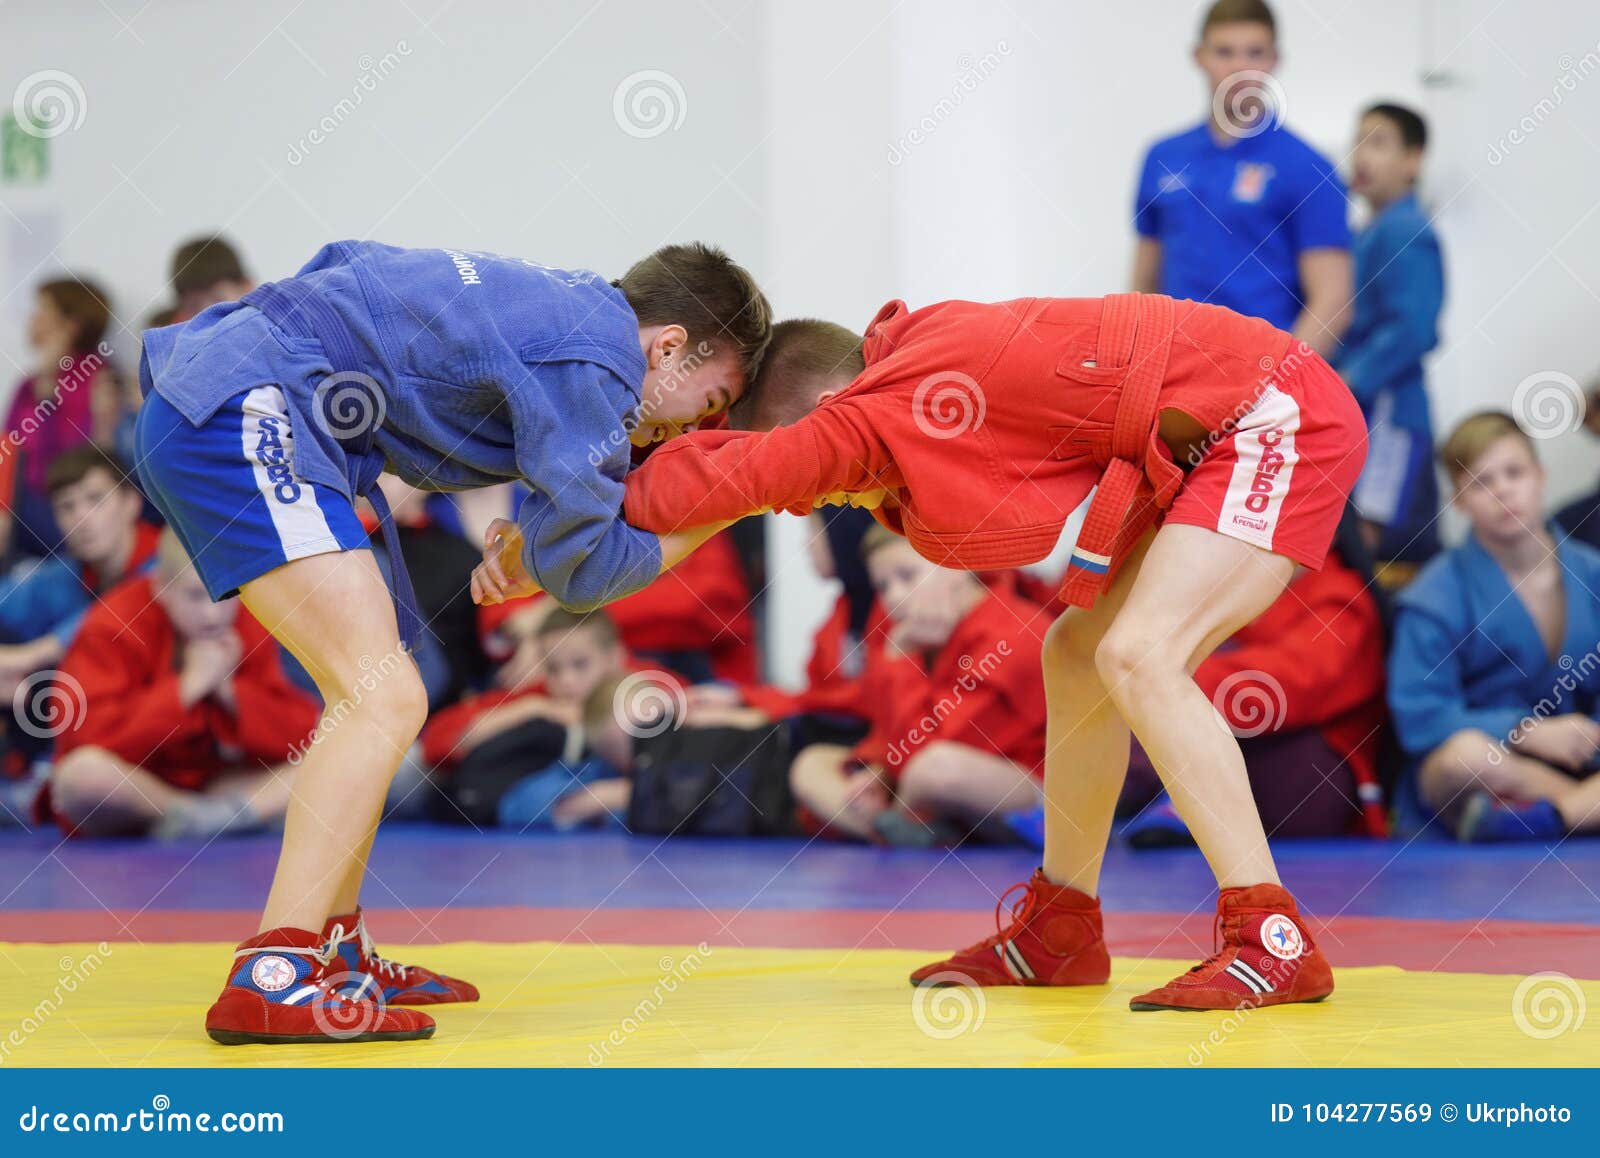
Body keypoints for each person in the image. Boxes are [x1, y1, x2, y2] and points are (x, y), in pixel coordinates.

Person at [604, 290, 1365, 1011]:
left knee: (1141, 655)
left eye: (822, 486)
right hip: (1208, 432)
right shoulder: (911, 373)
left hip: (1272, 410)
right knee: (1076, 653)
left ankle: (1272, 939)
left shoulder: (887, 403)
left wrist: (578, 495)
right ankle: (1061, 929)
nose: (824, 499)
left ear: (828, 409)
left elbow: (723, 483)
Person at [135, 239, 770, 1044]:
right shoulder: (606, 360)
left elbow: (346, 262)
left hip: (237, 391)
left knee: (372, 697)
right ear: (670, 348)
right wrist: (735, 499)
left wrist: (535, 545)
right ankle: (275, 975)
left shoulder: (566, 305)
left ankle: (334, 952)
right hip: (245, 407)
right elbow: (585, 571)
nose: (698, 426)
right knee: (383, 697)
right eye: (713, 401)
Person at [1388, 412, 1600, 842]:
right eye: (1481, 483)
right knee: (1463, 758)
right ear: (1459, 501)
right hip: (1496, 766)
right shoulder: (1434, 594)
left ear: (1540, 476)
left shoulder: (1592, 572)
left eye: (1514, 473)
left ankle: (1550, 817)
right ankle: (1581, 811)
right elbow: (1421, 713)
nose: (1503, 490)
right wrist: (1524, 731)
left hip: (1585, 758)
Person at [47, 529, 317, 839]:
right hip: (140, 789)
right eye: (194, 595)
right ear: (161, 588)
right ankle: (202, 816)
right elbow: (88, 739)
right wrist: (188, 687)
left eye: (225, 594)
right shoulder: (112, 623)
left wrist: (231, 692)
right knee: (80, 776)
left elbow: (300, 732)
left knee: (329, 750)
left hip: (221, 785)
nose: (212, 615)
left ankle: (218, 817)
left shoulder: (246, 619)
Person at [789, 525, 1046, 845]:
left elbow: (927, 748)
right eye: (883, 585)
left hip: (1024, 787)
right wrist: (879, 772)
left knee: (935, 770)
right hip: (918, 774)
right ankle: (900, 829)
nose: (894, 596)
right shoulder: (918, 631)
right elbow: (886, 728)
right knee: (811, 764)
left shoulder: (1012, 634)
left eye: (907, 576)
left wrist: (899, 659)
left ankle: (898, 825)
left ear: (958, 567)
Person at [1131, 0, 1351, 355]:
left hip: (1261, 369)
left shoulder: (1308, 167)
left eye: (1254, 53)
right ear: (1199, 56)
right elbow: (1143, 283)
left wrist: (1277, 379)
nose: (1238, 67)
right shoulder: (1163, 157)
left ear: (1275, 59)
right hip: (1175, 368)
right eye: (1224, 52)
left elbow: (1332, 301)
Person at [1335, 103, 1446, 562]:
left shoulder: (1405, 230)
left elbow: (1413, 329)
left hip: (1388, 413)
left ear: (1413, 159)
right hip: (1369, 410)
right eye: (1358, 141)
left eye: (1378, 143)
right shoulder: (1369, 231)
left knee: (1376, 553)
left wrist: (1344, 381)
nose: (1361, 155)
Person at [0, 278, 124, 562]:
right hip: (22, 507)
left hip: (65, 507)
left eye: (43, 310)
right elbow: (6, 452)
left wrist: (48, 398)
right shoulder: (28, 385)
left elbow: (72, 464)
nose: (32, 318)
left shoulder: (97, 378)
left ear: (72, 325)